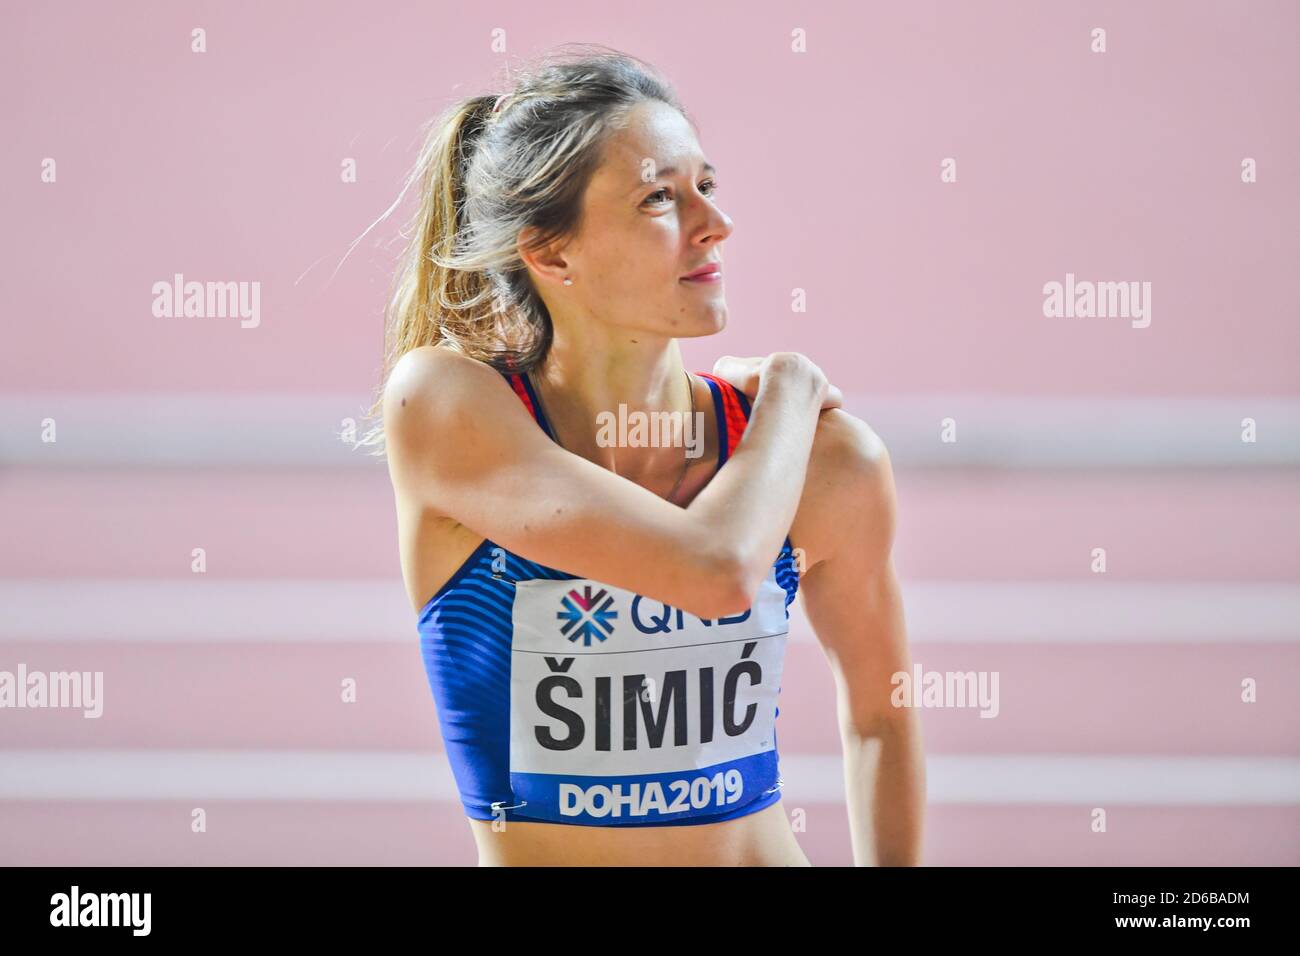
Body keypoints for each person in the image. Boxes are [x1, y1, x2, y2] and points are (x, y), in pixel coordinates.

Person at [360, 44, 923, 866]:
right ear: (552, 254)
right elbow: (717, 572)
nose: (715, 225)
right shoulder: (444, 406)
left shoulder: (828, 461)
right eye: (660, 198)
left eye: (708, 186)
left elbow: (883, 715)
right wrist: (794, 390)